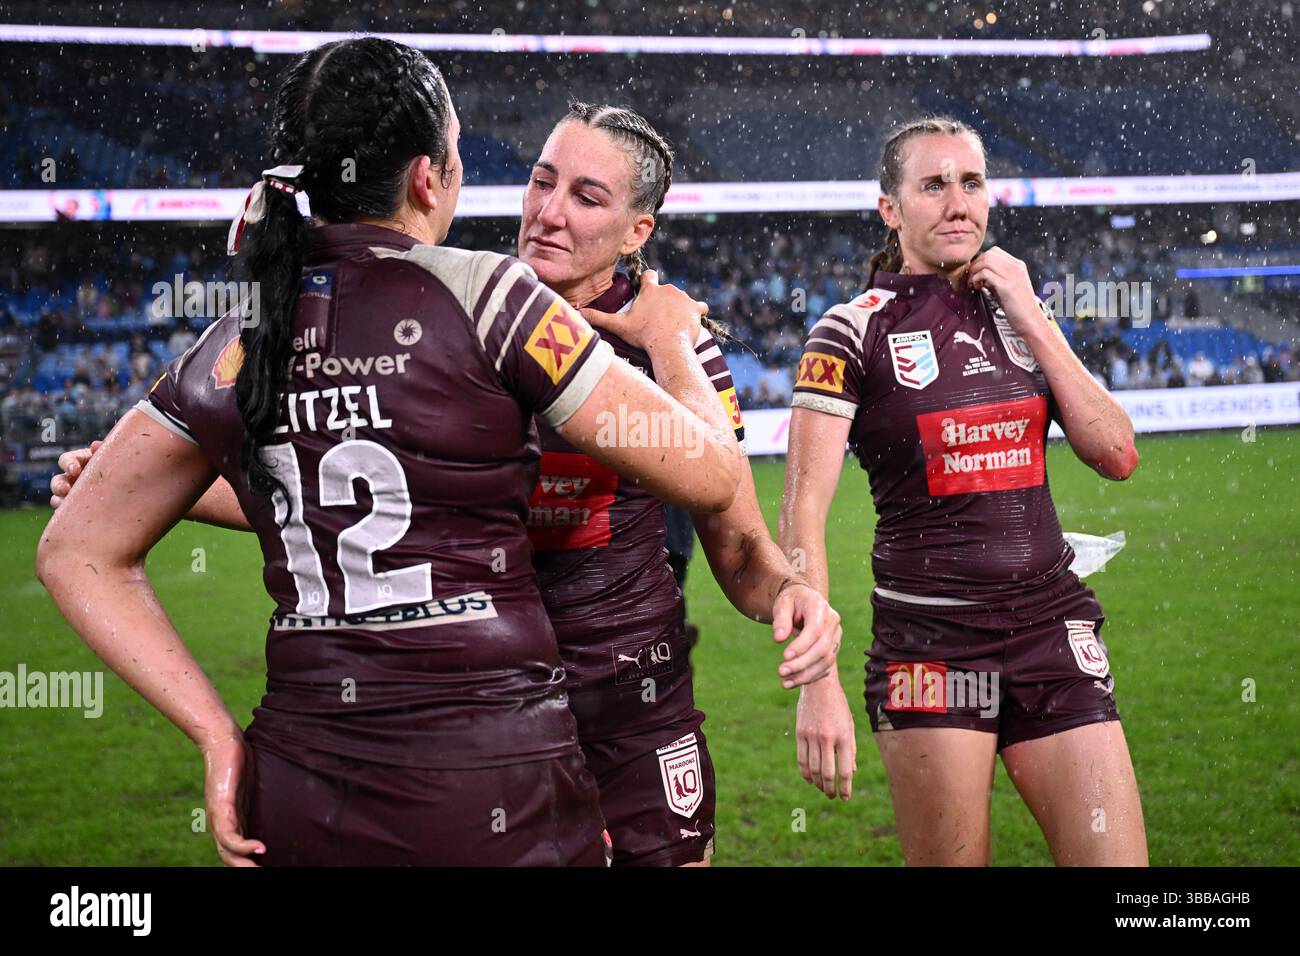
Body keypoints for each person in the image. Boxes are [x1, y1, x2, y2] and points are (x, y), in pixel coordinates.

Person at [51, 101, 842, 869]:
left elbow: (739, 549)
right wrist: (162, 496)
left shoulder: (671, 361)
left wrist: (789, 595)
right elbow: (355, 502)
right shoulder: (457, 318)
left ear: (639, 231)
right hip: (487, 721)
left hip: (630, 716)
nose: (548, 212)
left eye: (585, 196)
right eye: (541, 181)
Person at [781, 117, 1148, 865]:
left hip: (1052, 628)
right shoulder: (850, 332)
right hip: (931, 646)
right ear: (891, 208)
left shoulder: (1021, 313)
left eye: (972, 182)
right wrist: (816, 684)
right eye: (933, 184)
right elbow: (801, 519)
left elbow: (1116, 453)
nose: (957, 202)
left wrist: (1035, 316)